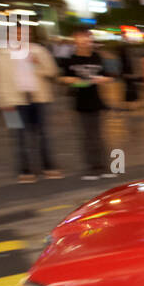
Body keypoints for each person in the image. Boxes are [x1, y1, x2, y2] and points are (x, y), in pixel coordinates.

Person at [0, 33, 62, 183]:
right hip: (11, 101)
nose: (19, 37)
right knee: (17, 136)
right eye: (15, 34)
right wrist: (1, 102)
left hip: (38, 99)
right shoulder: (0, 54)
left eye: (23, 33)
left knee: (43, 134)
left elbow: (52, 71)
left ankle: (48, 167)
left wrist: (37, 64)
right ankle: (24, 169)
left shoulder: (38, 50)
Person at [60, 26, 113, 179]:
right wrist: (71, 80)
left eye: (87, 38)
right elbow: (62, 78)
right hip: (80, 102)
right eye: (81, 38)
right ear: (75, 40)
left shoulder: (97, 57)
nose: (84, 41)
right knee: (86, 136)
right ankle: (91, 168)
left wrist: (103, 79)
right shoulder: (70, 59)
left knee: (98, 136)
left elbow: (109, 76)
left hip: (96, 100)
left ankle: (103, 167)